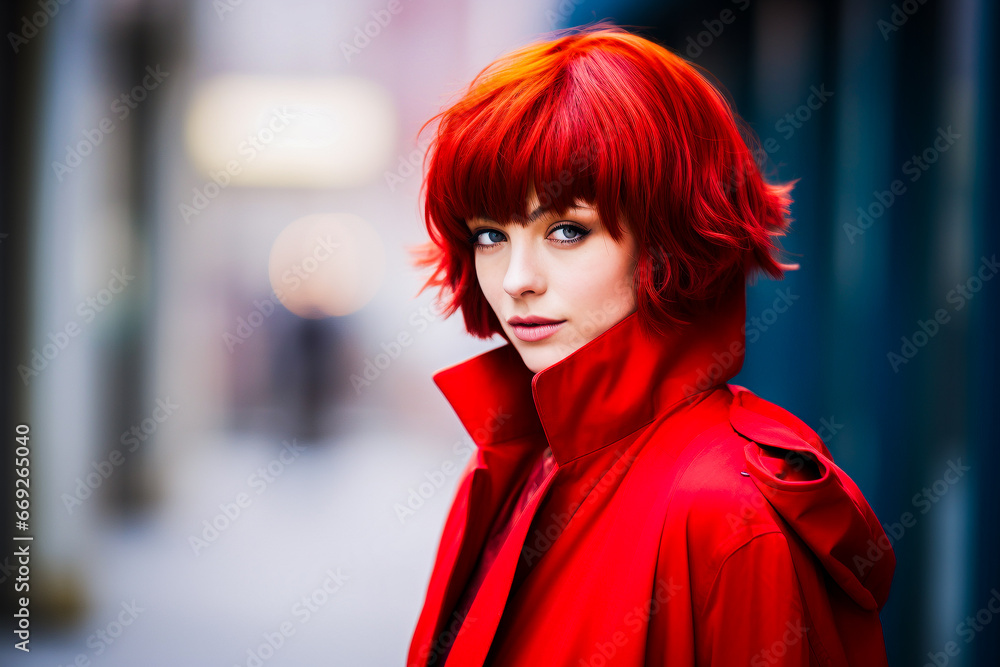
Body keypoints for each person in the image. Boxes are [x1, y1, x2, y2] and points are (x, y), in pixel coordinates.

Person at [405, 24, 894, 667]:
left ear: (666, 237)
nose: (517, 280)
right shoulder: (520, 457)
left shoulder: (732, 512)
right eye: (491, 235)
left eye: (567, 230)